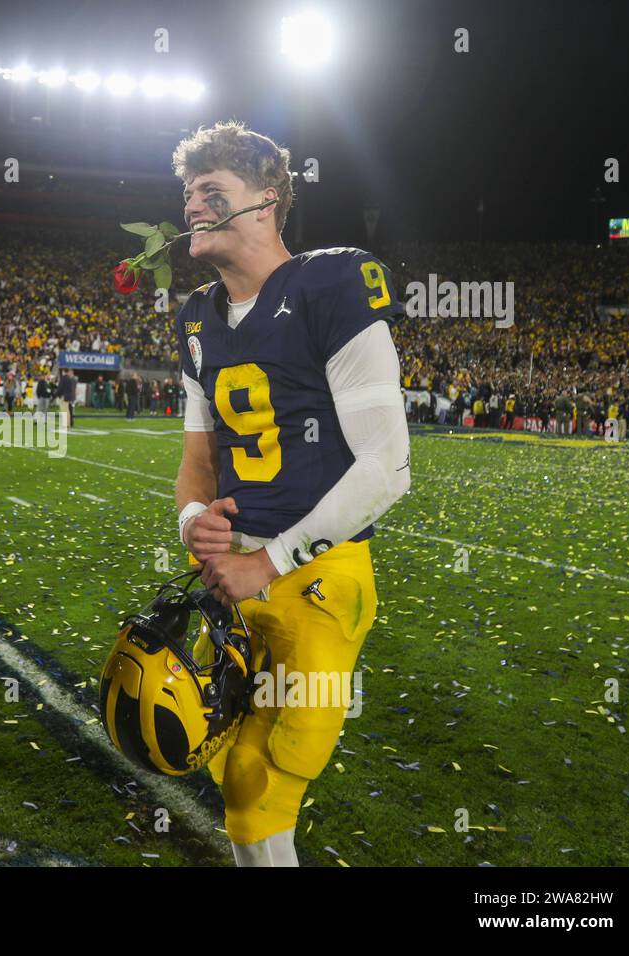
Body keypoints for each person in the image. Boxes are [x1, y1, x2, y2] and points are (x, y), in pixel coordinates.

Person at [172, 121, 410, 867]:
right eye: (187, 195)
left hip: (317, 576)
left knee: (273, 770)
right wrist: (192, 523)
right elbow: (196, 464)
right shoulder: (194, 321)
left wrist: (269, 562)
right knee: (228, 764)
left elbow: (389, 464)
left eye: (214, 192)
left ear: (268, 202)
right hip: (233, 576)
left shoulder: (331, 281)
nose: (193, 208)